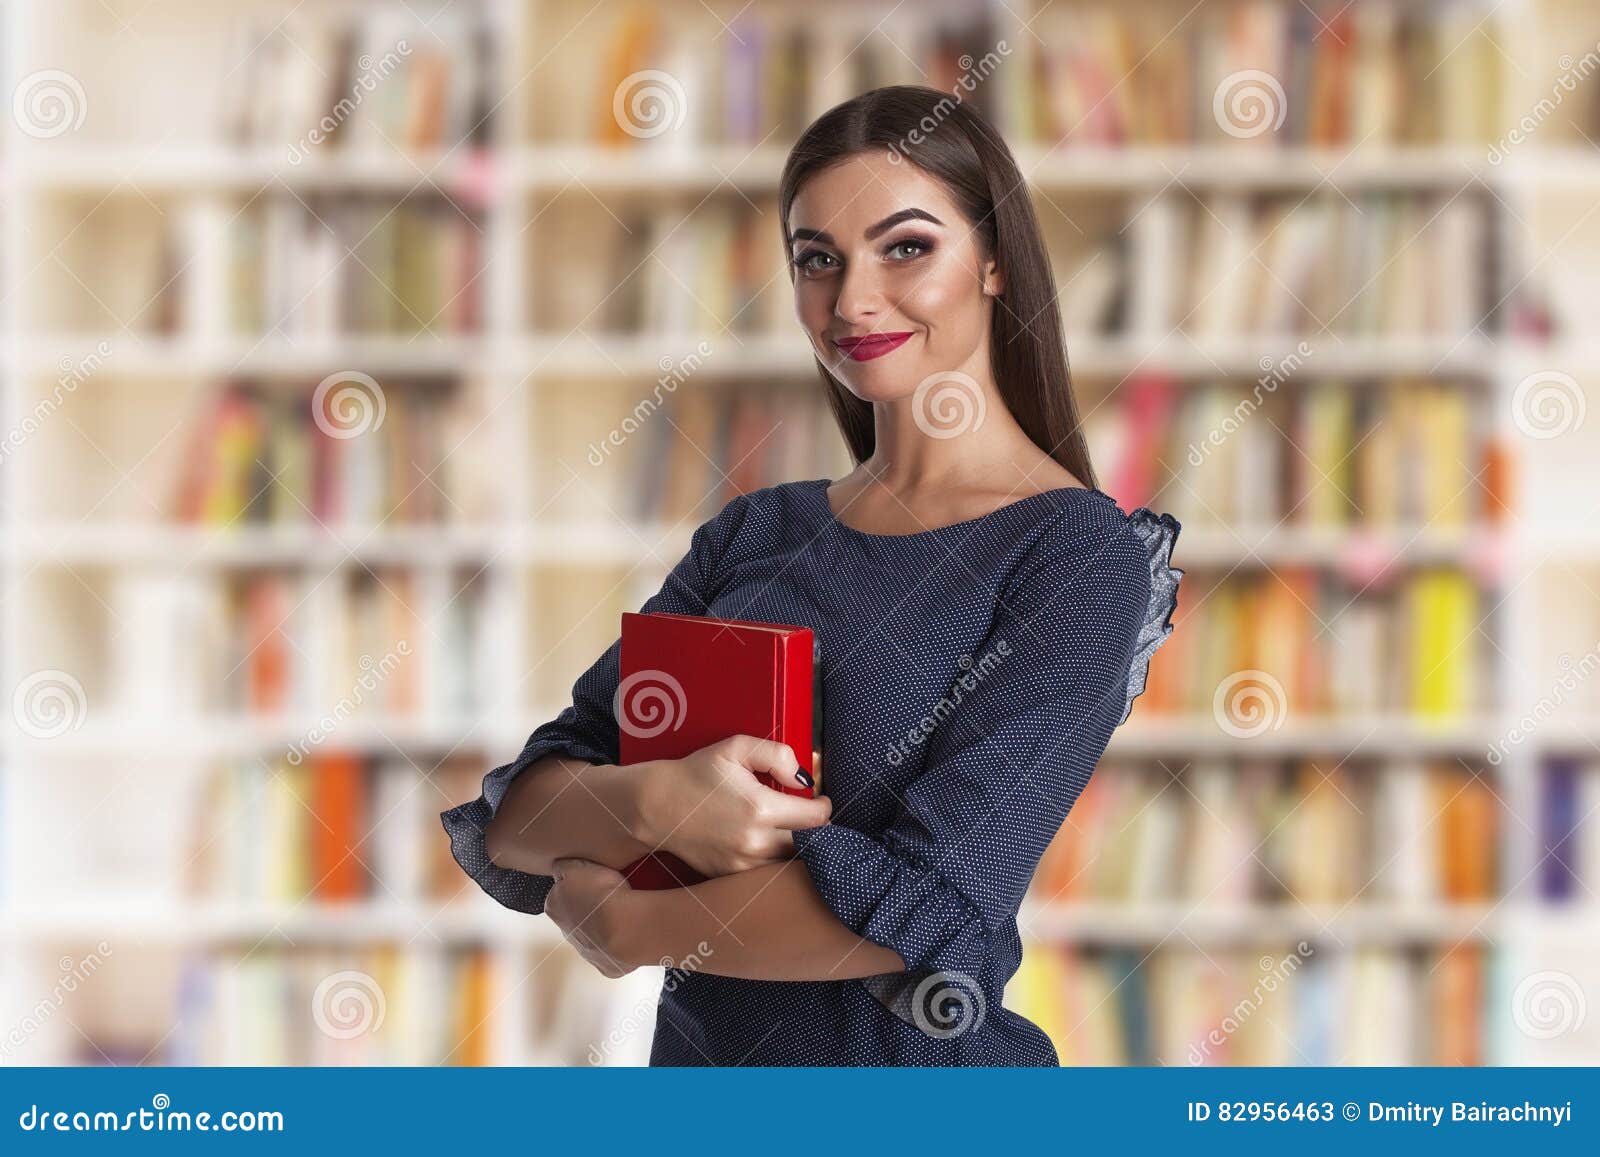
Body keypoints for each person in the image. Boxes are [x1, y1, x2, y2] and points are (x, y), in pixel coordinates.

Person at [441, 85, 1184, 1065]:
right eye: (816, 260)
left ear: (995, 260)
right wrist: (662, 805)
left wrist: (639, 924)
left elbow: (930, 907)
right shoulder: (759, 529)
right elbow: (523, 812)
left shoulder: (1075, 556)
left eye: (906, 247)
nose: (853, 299)